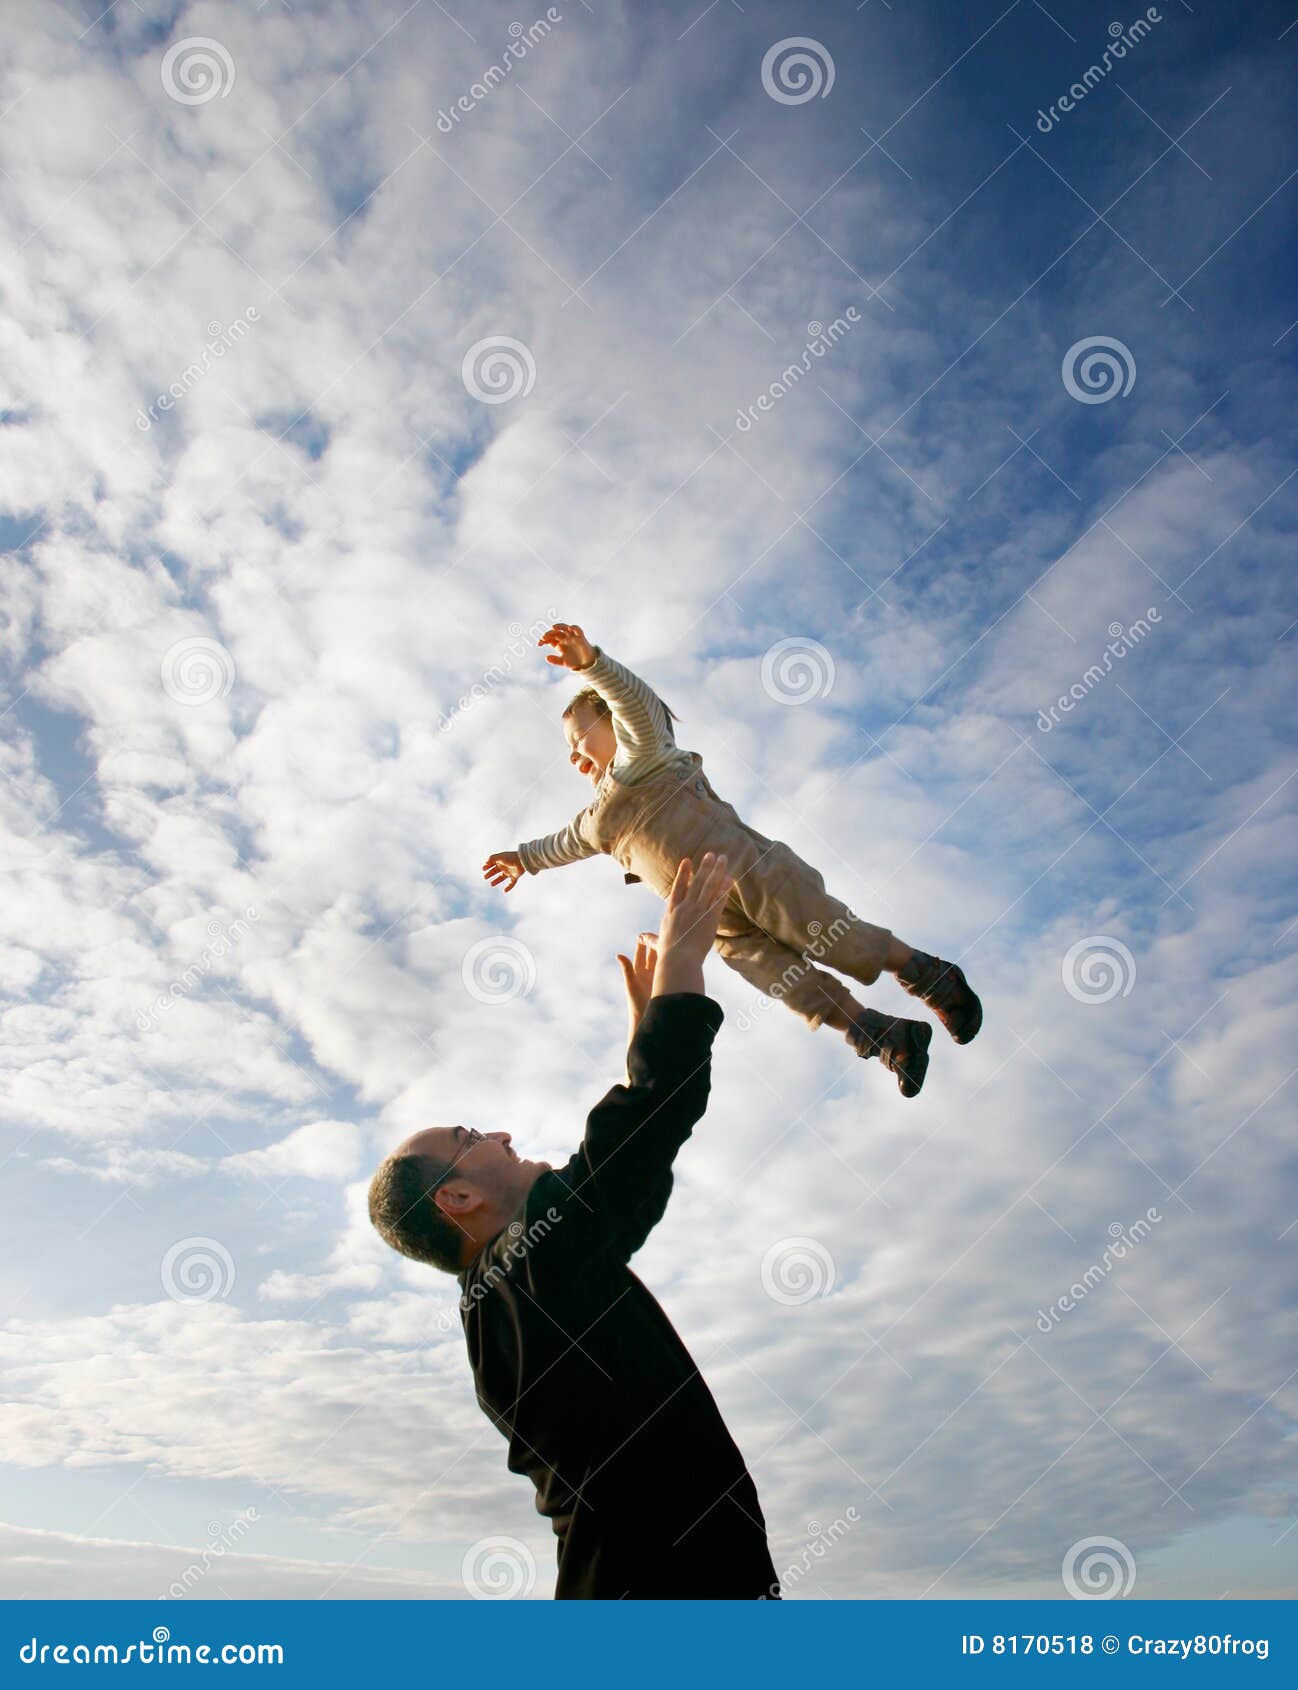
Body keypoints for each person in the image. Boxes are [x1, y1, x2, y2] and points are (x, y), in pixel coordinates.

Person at [368, 852, 781, 1599]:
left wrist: (646, 1046)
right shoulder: (535, 1266)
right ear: (458, 1201)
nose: (496, 1134)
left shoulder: (500, 1304)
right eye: (469, 1138)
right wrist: (683, 963)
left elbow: (623, 1186)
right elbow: (640, 1139)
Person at [482, 622, 982, 1098]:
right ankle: (886, 1036)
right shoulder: (595, 818)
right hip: (711, 919)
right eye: (568, 751)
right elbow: (566, 841)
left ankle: (932, 976)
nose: (573, 755)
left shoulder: (644, 753)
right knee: (789, 986)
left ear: (613, 722)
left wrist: (592, 665)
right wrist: (525, 858)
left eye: (578, 738)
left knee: (831, 935)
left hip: (753, 871)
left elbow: (632, 703)